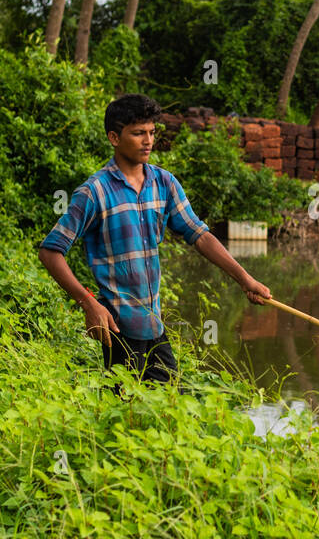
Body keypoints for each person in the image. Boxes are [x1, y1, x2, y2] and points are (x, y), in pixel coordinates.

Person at [38, 94, 272, 387]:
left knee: (166, 405)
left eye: (151, 132)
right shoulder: (94, 192)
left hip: (155, 325)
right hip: (119, 329)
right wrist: (88, 303)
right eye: (138, 133)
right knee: (124, 415)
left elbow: (199, 235)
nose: (148, 140)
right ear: (114, 137)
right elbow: (50, 252)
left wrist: (245, 279)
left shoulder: (164, 183)